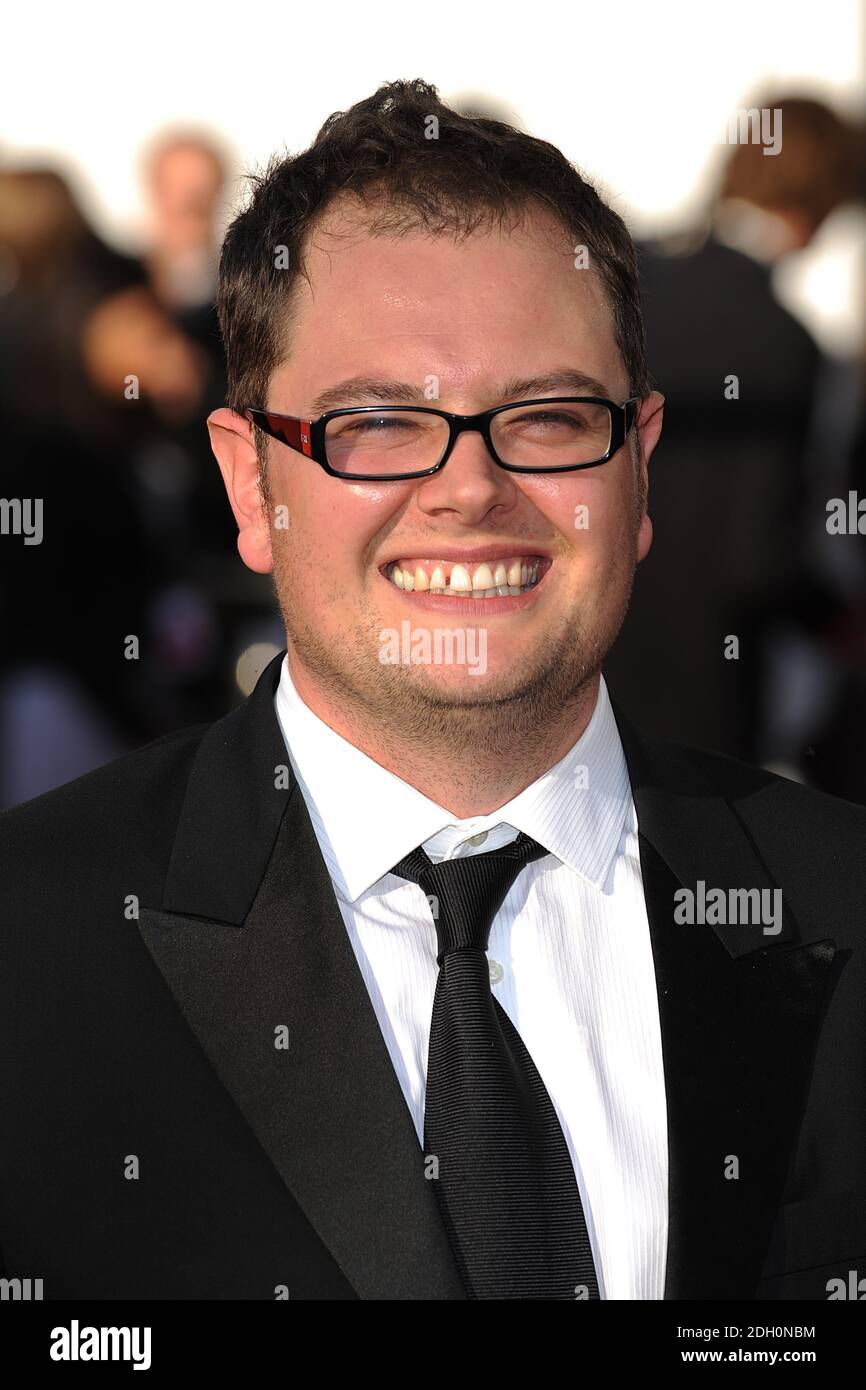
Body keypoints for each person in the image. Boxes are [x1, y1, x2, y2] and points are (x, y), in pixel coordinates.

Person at [1, 79, 864, 1302]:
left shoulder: (842, 901)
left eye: (550, 416)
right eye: (378, 425)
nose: (468, 489)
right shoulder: (32, 953)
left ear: (640, 466)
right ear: (251, 487)